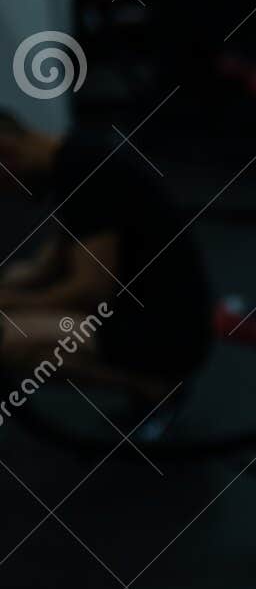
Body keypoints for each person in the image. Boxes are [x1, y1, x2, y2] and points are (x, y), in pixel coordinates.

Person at [0, 111, 209, 403]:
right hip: (145, 313)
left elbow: (88, 290)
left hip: (161, 332)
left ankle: (155, 386)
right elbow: (43, 267)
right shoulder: (74, 159)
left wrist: (11, 304)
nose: (6, 195)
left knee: (5, 337)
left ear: (5, 153)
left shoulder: (86, 174)